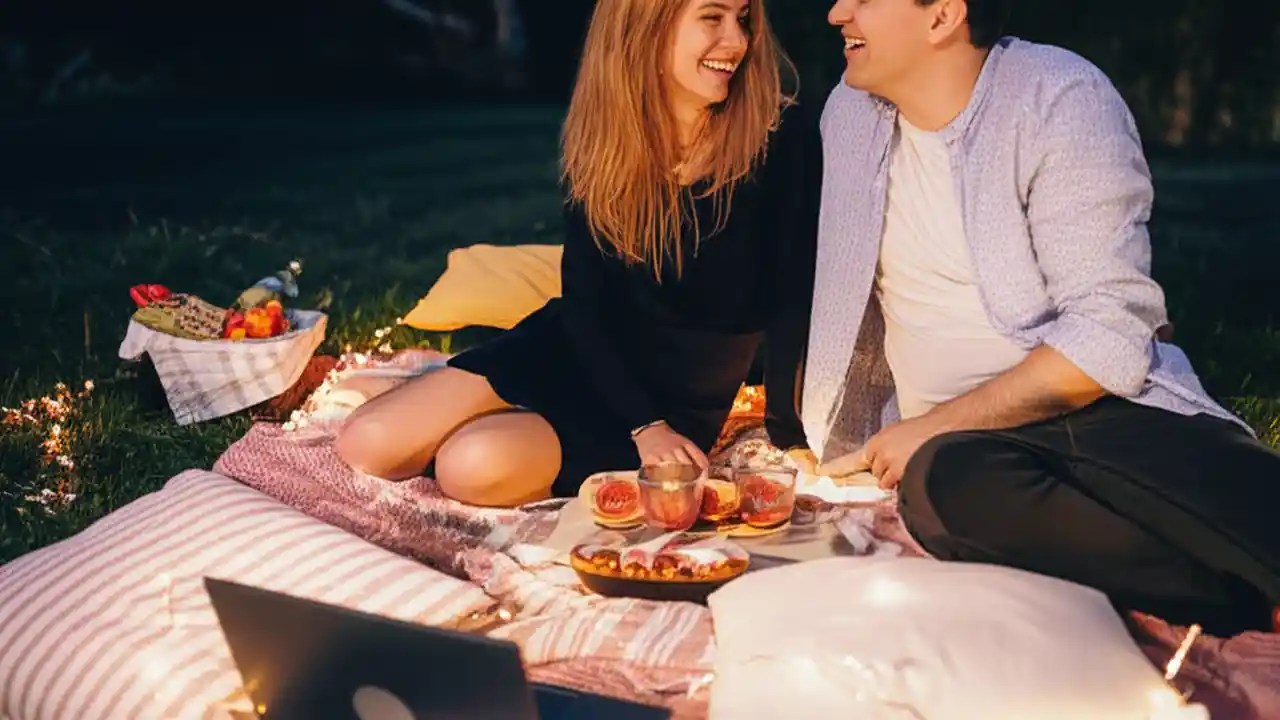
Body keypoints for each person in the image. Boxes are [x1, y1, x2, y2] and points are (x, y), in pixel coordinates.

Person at [807, 0, 1280, 635]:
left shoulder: (1058, 97)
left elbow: (1108, 342)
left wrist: (936, 425)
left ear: (943, 15)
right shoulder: (848, 115)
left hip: (1096, 411)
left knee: (1177, 478)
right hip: (970, 454)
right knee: (948, 490)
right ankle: (1238, 603)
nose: (839, 12)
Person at [336, 0, 819, 508]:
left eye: (742, 19)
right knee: (363, 443)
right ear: (647, 27)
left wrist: (787, 434)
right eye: (712, 17)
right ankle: (461, 405)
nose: (737, 40)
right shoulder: (609, 137)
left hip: (674, 399)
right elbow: (584, 305)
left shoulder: (779, 139)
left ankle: (474, 421)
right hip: (576, 349)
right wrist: (641, 419)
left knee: (470, 467)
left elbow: (794, 299)